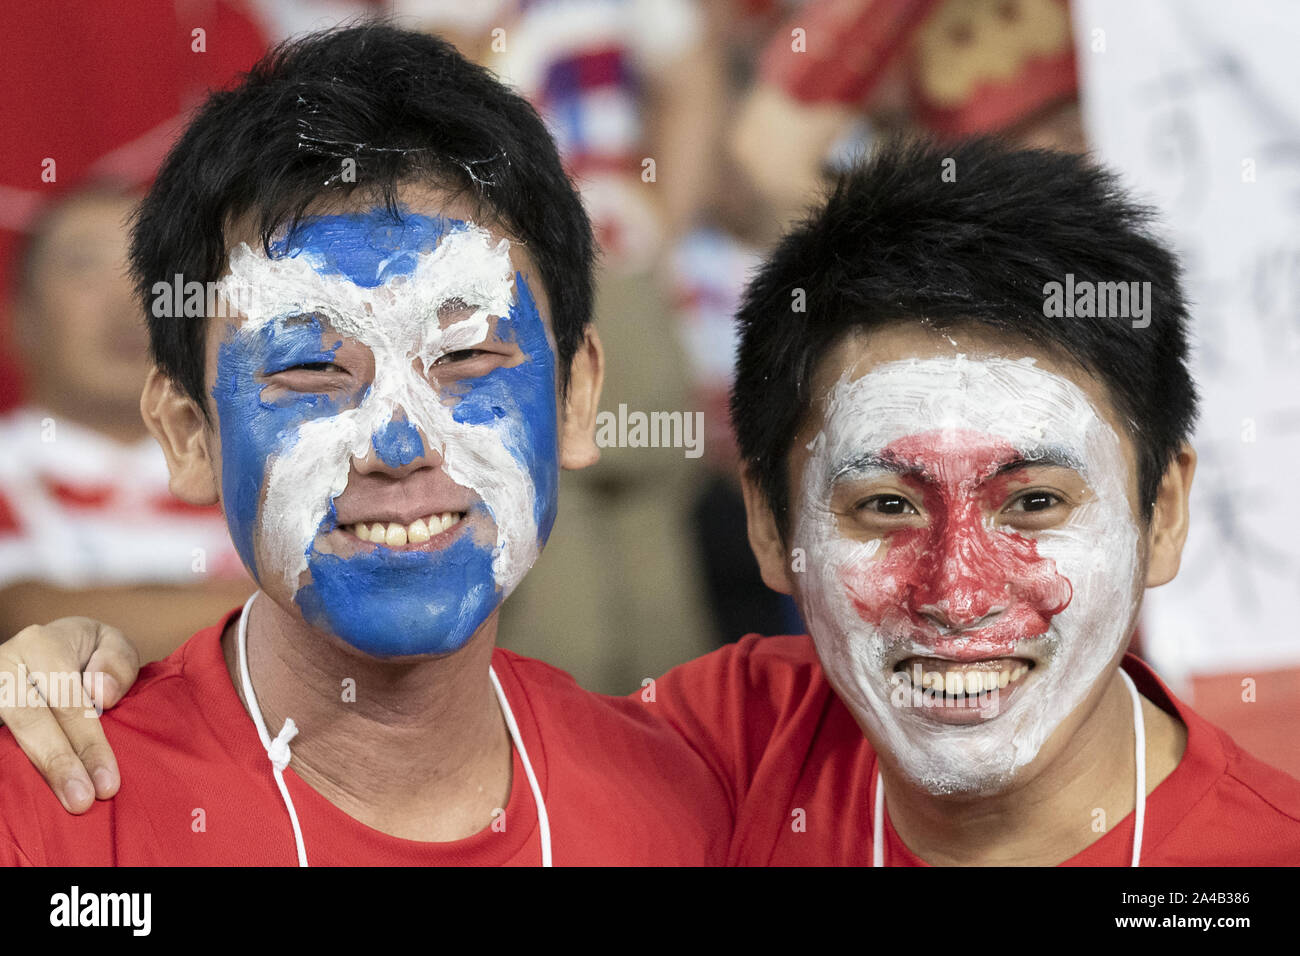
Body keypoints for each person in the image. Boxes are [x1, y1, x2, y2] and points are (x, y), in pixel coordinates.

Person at [11, 138, 1300, 865]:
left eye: (1031, 499)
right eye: (883, 509)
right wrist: (57, 665)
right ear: (765, 527)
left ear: (1164, 509)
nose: (958, 591)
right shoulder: (720, 754)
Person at [0, 23, 730, 865]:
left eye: (463, 356)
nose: (400, 440)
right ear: (190, 434)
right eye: (312, 367)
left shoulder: (696, 802)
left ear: (575, 397)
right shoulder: (51, 812)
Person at [0, 185, 253, 662]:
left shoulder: (260, 465)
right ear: (20, 320)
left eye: (151, 270)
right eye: (83, 266)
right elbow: (18, 620)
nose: (127, 301)